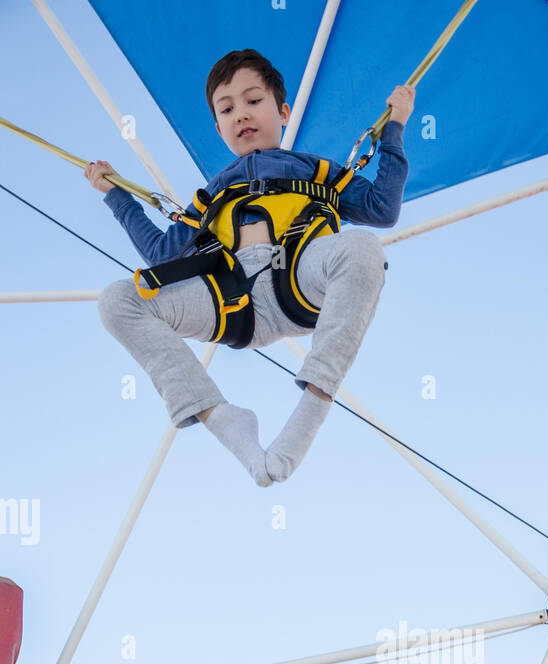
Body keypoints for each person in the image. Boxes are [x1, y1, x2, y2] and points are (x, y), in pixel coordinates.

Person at [87, 49, 414, 488]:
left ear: (282, 111)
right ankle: (221, 418)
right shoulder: (212, 194)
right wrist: (116, 195)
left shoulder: (317, 170)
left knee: (363, 247)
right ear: (219, 128)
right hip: (231, 299)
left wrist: (393, 127)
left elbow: (382, 207)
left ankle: (312, 407)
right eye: (228, 109)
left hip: (297, 280)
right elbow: (163, 254)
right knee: (117, 300)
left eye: (253, 101)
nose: (241, 114)